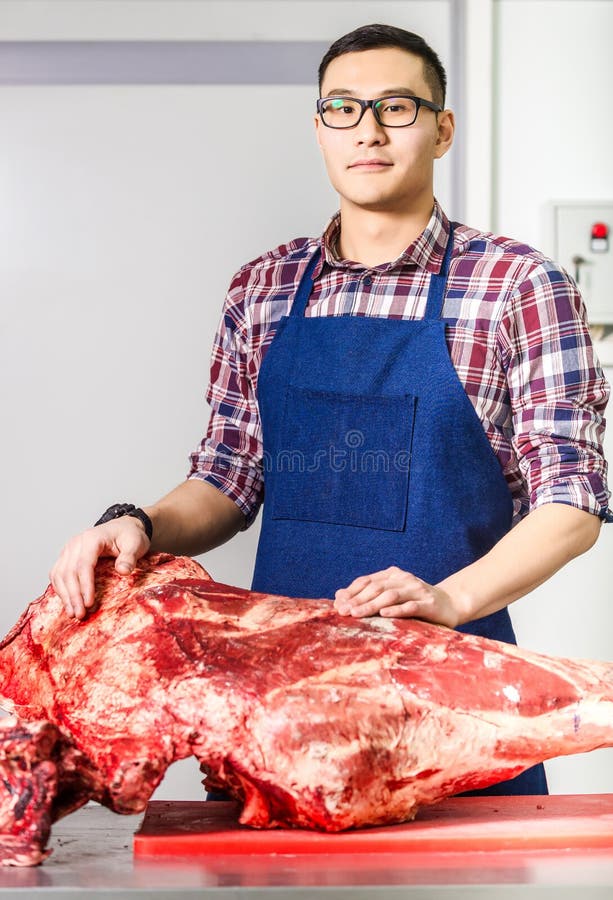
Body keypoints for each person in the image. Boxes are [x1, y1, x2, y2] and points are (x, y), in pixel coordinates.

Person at [50, 24, 611, 796]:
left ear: (441, 128)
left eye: (397, 107)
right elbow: (227, 478)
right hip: (276, 712)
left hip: (452, 708)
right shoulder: (264, 288)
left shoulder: (517, 286)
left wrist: (447, 599)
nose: (368, 131)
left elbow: (571, 502)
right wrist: (134, 524)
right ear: (319, 129)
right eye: (343, 109)